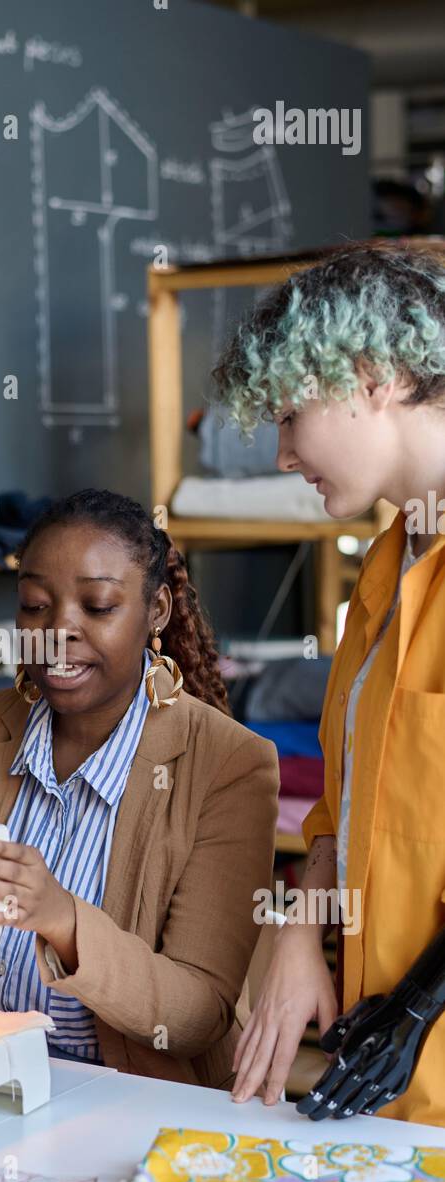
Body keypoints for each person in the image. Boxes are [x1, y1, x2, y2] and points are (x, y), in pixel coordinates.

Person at [0, 489, 278, 1084]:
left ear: (157, 611)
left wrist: (64, 920)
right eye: (35, 605)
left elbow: (197, 1015)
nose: (58, 631)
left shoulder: (227, 766)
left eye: (97, 607)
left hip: (130, 1097)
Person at [213, 241, 445, 1126]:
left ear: (374, 375)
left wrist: (419, 1009)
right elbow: (342, 810)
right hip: (388, 1080)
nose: (281, 455)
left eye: (289, 416)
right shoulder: (386, 571)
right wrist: (293, 922)